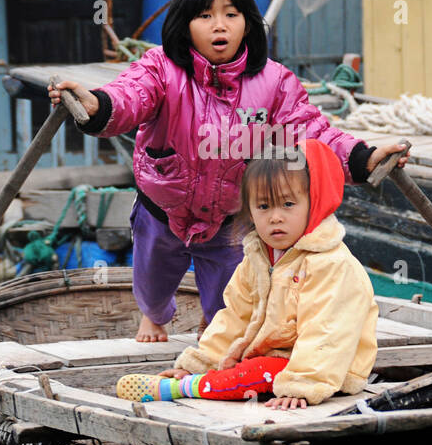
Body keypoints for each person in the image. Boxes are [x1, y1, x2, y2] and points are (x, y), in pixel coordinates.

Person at [48, 0, 405, 342]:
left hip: (230, 217)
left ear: (248, 24)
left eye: (231, 15)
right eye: (205, 16)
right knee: (152, 291)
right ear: (184, 25)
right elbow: (128, 96)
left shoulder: (274, 82)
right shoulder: (160, 70)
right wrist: (95, 104)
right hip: (162, 211)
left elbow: (313, 132)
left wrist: (363, 158)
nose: (219, 26)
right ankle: (153, 318)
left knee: (229, 304)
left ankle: (213, 329)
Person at [115, 140, 378, 409]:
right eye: (263, 207)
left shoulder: (331, 265)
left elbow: (327, 334)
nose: (275, 217)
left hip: (327, 371)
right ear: (250, 210)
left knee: (257, 372)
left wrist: (302, 386)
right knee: (248, 369)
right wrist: (201, 363)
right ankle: (197, 379)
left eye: (288, 204)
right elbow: (234, 318)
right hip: (274, 361)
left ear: (316, 203)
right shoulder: (257, 258)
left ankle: (181, 389)